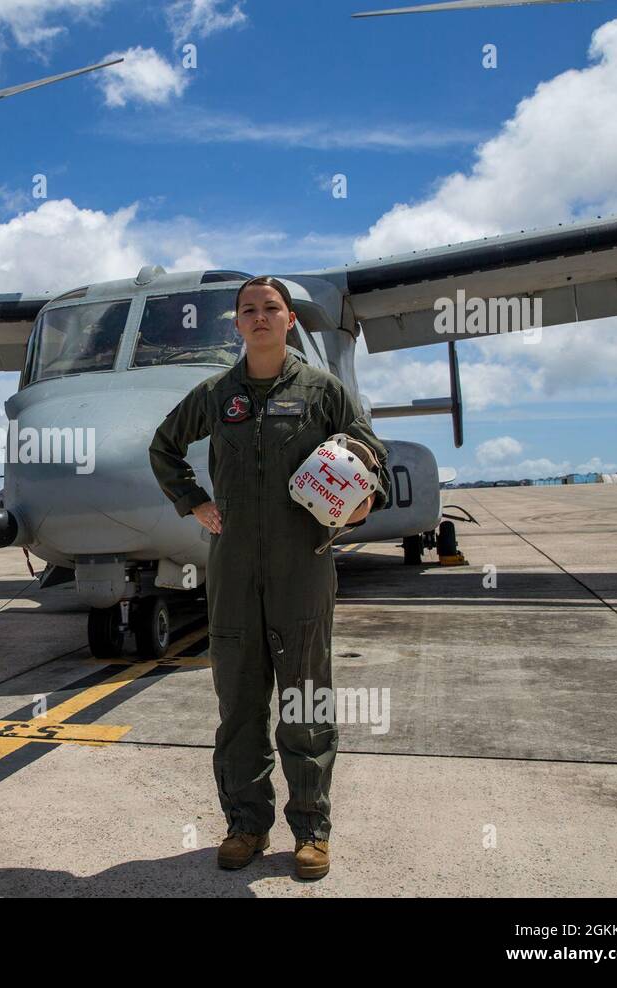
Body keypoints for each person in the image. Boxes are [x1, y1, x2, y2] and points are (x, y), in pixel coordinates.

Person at [147, 276, 390, 879]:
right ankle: (246, 826)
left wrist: (360, 501)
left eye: (271, 309)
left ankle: (311, 830)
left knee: (306, 702)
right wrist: (193, 502)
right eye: (249, 310)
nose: (260, 317)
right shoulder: (216, 393)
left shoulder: (319, 389)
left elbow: (368, 452)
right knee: (239, 706)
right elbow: (163, 446)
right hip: (231, 570)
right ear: (236, 324)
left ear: (288, 322)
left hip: (302, 565)